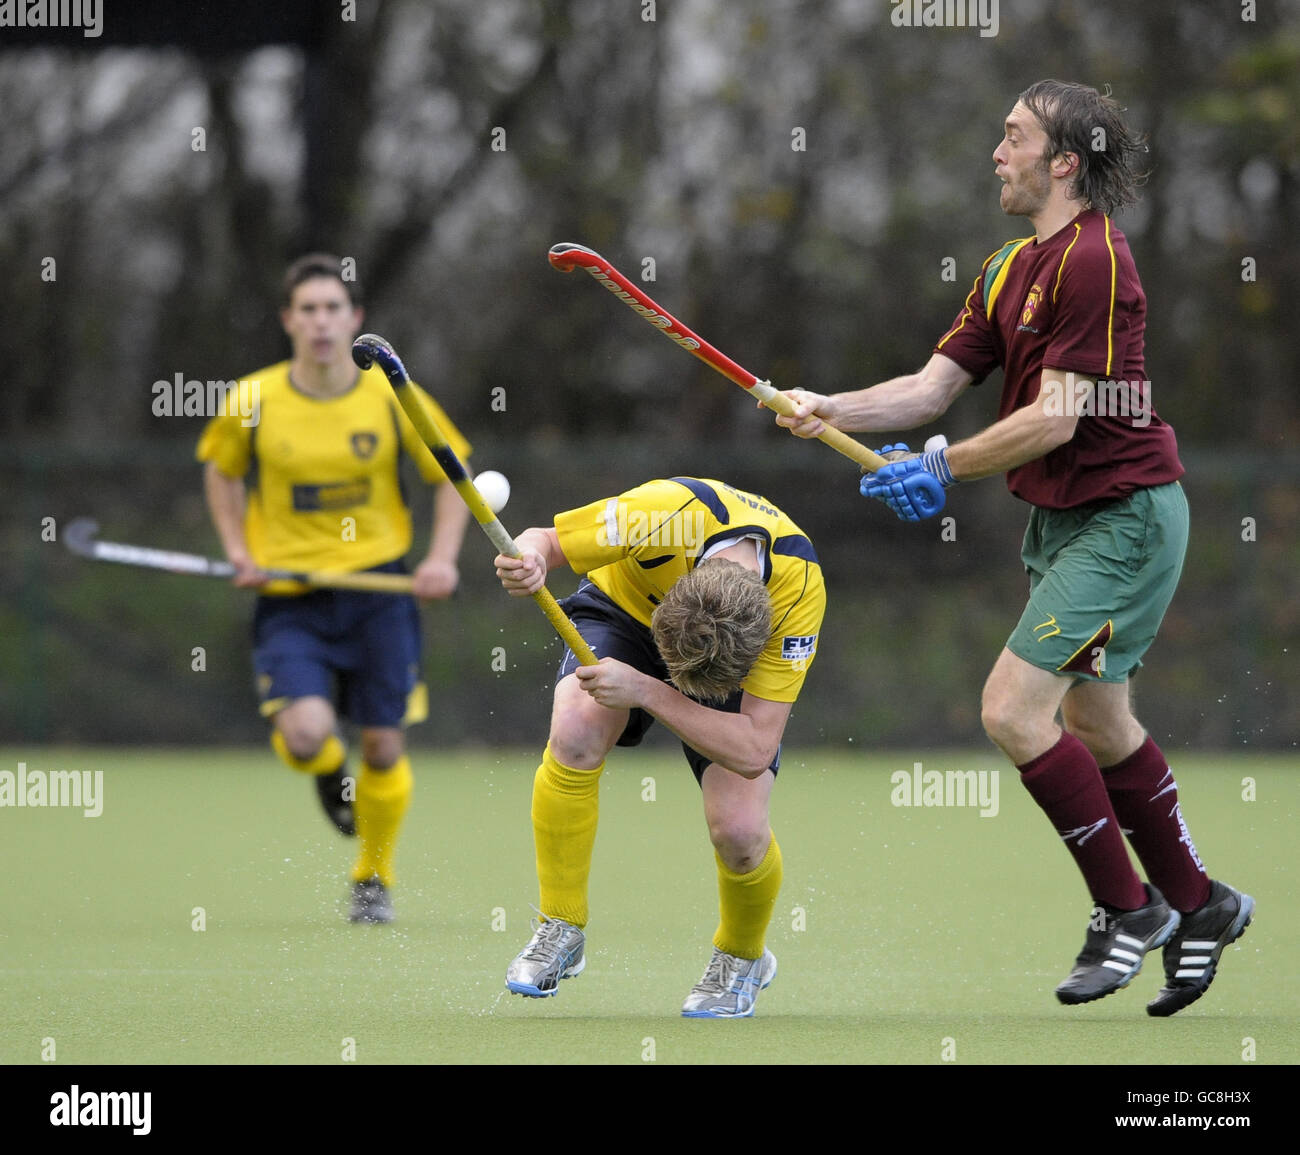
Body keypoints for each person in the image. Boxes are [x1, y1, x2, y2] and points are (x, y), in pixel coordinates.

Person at [778, 80, 1252, 1015]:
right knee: (1099, 725)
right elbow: (926, 390)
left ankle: (1129, 907)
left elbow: (1057, 418)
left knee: (1011, 707)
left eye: (1013, 138)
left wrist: (942, 470)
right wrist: (832, 406)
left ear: (1065, 162)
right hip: (1064, 522)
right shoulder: (1006, 267)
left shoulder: (1093, 258)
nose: (996, 153)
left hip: (1125, 516)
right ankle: (1204, 904)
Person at [196, 253, 472, 924]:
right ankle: (327, 773)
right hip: (290, 597)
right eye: (309, 309)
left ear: (355, 318)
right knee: (305, 735)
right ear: (289, 320)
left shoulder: (391, 395)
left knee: (382, 744)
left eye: (333, 308)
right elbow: (220, 469)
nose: (322, 322)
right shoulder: (253, 399)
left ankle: (372, 878)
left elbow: (453, 473)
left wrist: (440, 559)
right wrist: (239, 551)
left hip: (381, 593)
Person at [493, 477, 825, 1017]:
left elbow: (754, 749)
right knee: (577, 727)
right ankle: (560, 924)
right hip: (625, 613)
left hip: (727, 661)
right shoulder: (661, 513)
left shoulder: (799, 593)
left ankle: (742, 958)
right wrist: (528, 559)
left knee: (739, 831)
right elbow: (544, 540)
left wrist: (648, 689)